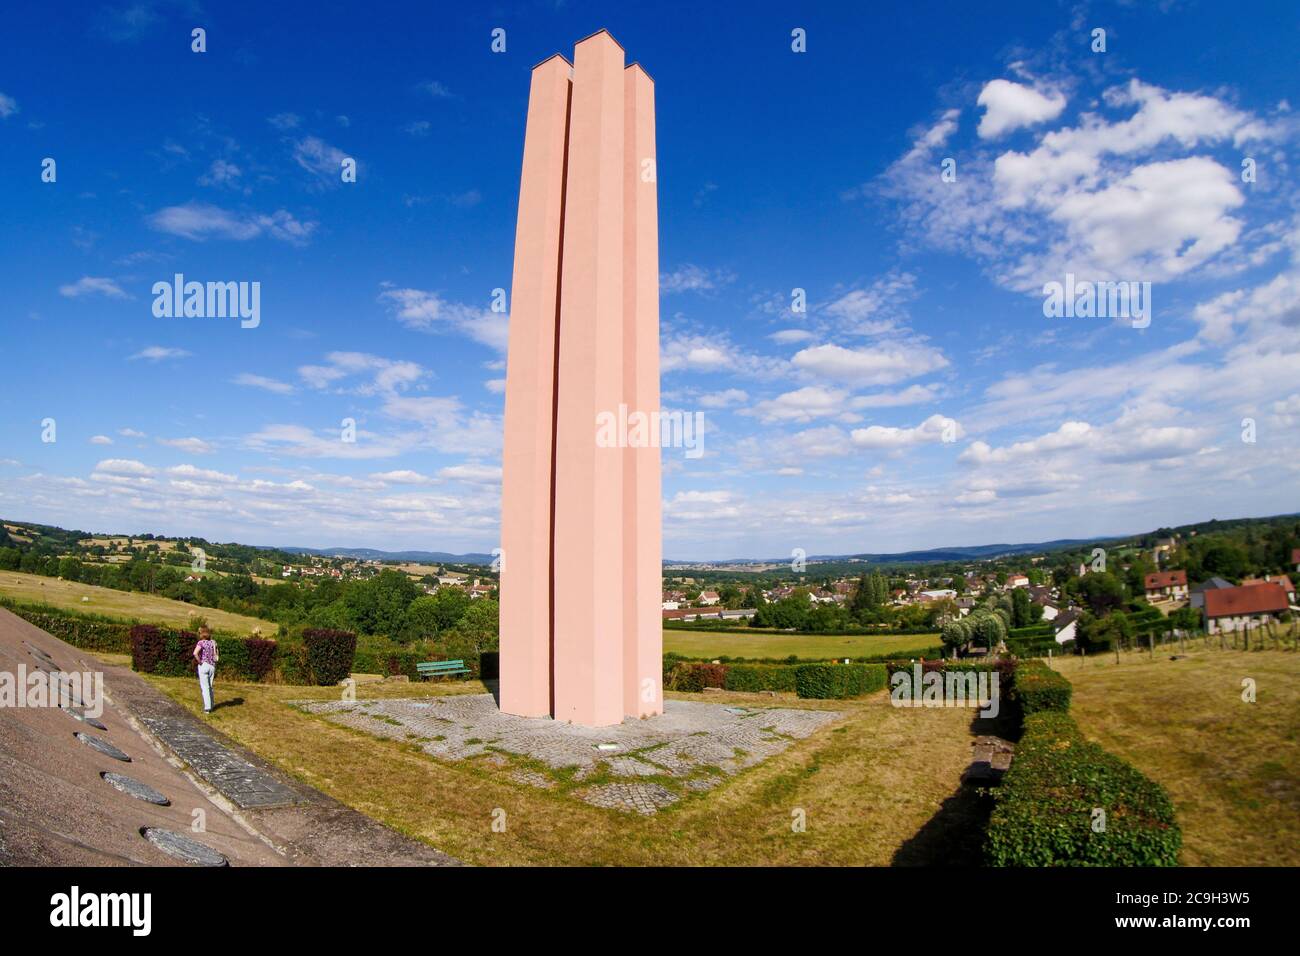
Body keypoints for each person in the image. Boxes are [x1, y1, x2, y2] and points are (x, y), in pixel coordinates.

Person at [192, 626, 219, 714]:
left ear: (201, 633)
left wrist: (199, 662)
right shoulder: (213, 642)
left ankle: (207, 708)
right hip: (212, 666)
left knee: (205, 687)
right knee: (210, 687)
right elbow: (216, 654)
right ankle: (211, 705)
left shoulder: (201, 642)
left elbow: (195, 653)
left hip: (204, 665)